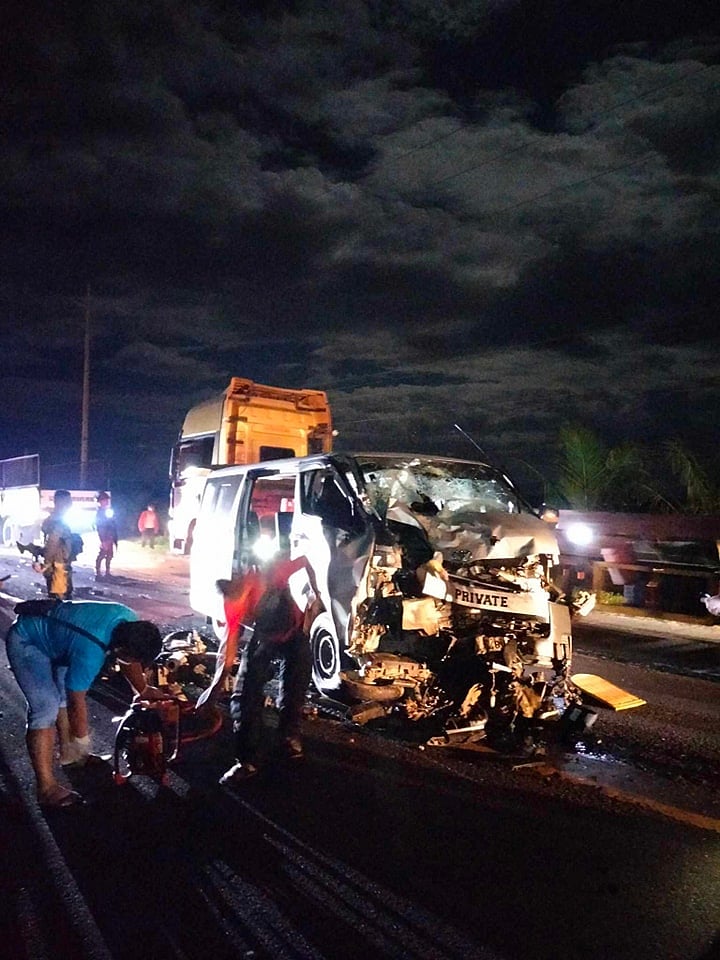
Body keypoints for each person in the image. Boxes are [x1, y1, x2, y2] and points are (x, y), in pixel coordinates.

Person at [4, 599, 165, 808]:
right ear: (120, 650)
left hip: (62, 639)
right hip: (28, 641)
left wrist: (143, 690)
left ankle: (69, 756)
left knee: (62, 693)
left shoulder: (128, 620)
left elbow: (129, 660)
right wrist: (82, 741)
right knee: (46, 707)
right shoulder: (91, 652)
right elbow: (76, 699)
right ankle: (46, 788)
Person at [196, 552, 322, 786]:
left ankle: (289, 738)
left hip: (294, 633)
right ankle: (247, 760)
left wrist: (316, 595)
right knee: (245, 695)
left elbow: (305, 560)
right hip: (264, 638)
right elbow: (229, 652)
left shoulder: (271, 572)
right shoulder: (232, 604)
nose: (239, 604)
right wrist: (212, 692)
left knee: (295, 688)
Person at [39, 489, 77, 600]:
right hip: (58, 567)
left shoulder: (54, 519)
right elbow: (52, 543)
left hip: (58, 564)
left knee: (58, 599)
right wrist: (47, 563)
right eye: (68, 501)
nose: (71, 504)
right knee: (60, 602)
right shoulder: (58, 521)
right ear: (61, 503)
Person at [94, 491, 118, 578]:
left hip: (110, 536)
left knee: (110, 555)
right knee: (102, 554)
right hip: (105, 537)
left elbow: (112, 524)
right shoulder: (100, 513)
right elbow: (100, 527)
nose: (107, 501)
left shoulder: (107, 511)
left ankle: (107, 572)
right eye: (105, 500)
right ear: (100, 501)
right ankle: (98, 572)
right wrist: (103, 540)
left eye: (107, 500)